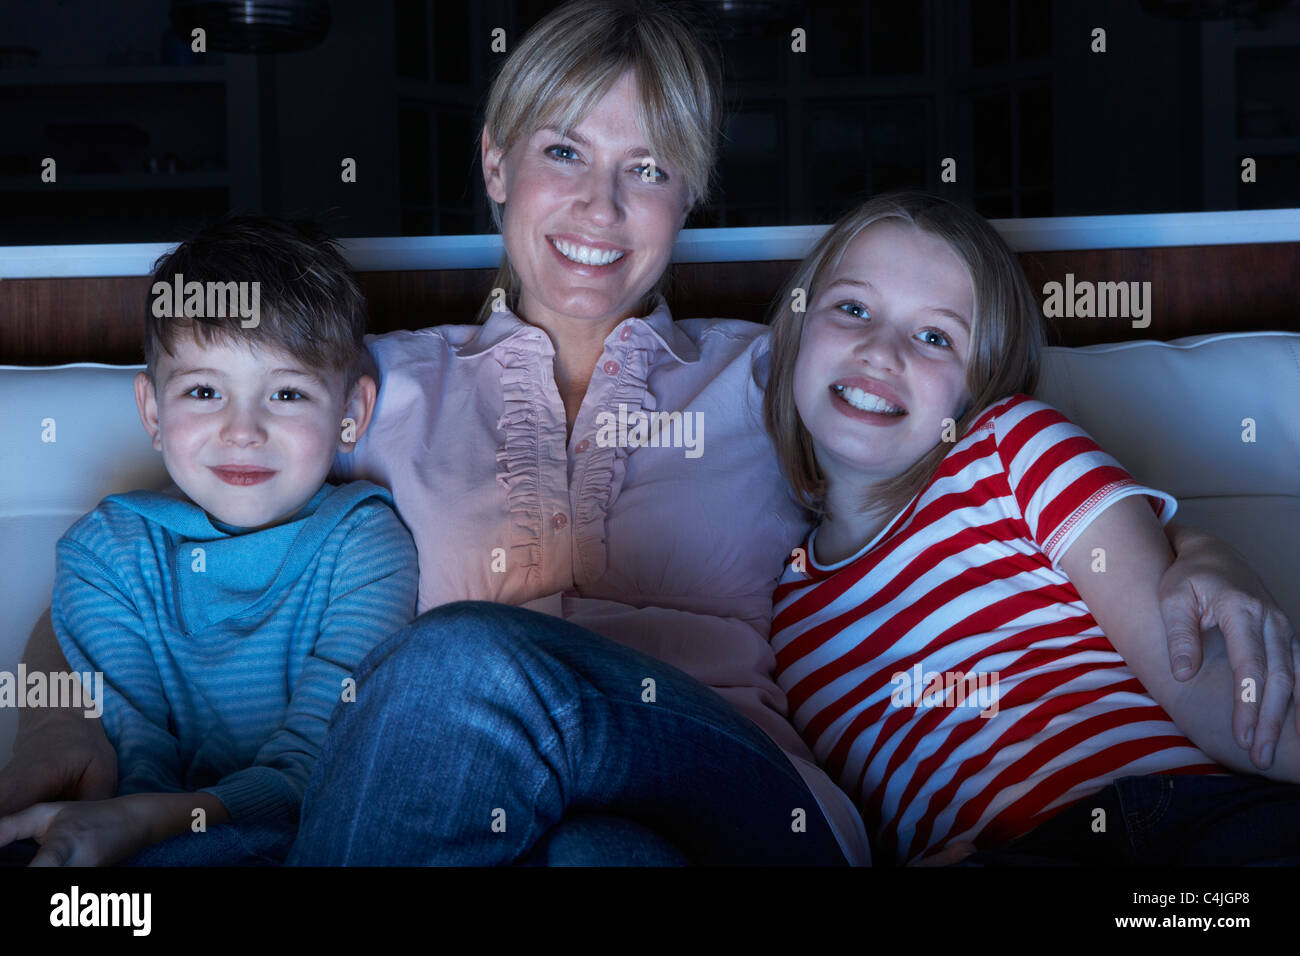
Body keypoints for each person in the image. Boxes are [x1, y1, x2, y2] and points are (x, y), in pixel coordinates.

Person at [0, 0, 1292, 867]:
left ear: (688, 198)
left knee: (461, 665)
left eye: (650, 168)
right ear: (499, 166)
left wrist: (1197, 561)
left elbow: (973, 471)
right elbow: (150, 530)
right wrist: (56, 721)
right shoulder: (373, 387)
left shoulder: (774, 376)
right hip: (491, 809)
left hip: (745, 802)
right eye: (565, 151)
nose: (601, 208)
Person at [765, 191, 1300, 866]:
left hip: (1174, 822)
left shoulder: (1009, 446)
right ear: (791, 331)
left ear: (979, 383)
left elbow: (1196, 676)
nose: (880, 351)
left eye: (935, 336)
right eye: (852, 308)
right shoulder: (784, 614)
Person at [0, 217, 418, 866]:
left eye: (286, 392)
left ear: (351, 414)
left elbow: (322, 766)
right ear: (152, 413)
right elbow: (132, 762)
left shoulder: (365, 544)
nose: (242, 430)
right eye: (203, 391)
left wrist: (146, 824)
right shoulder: (106, 552)